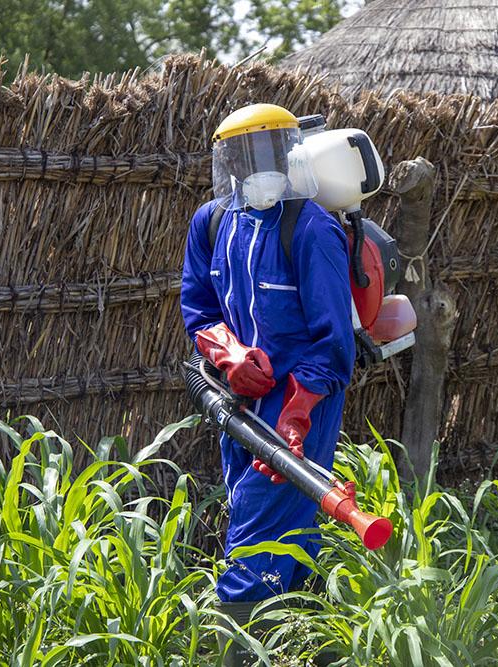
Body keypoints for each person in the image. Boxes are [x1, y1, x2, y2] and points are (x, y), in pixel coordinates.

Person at [179, 103, 355, 636]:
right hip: (238, 397)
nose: (258, 167)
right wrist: (228, 355)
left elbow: (334, 344)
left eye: (268, 152)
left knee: (254, 535)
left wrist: (297, 414)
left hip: (300, 401)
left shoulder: (310, 230)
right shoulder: (211, 223)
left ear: (290, 154)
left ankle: (233, 646)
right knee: (285, 528)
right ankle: (311, 641)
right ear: (227, 162)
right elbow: (199, 307)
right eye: (244, 154)